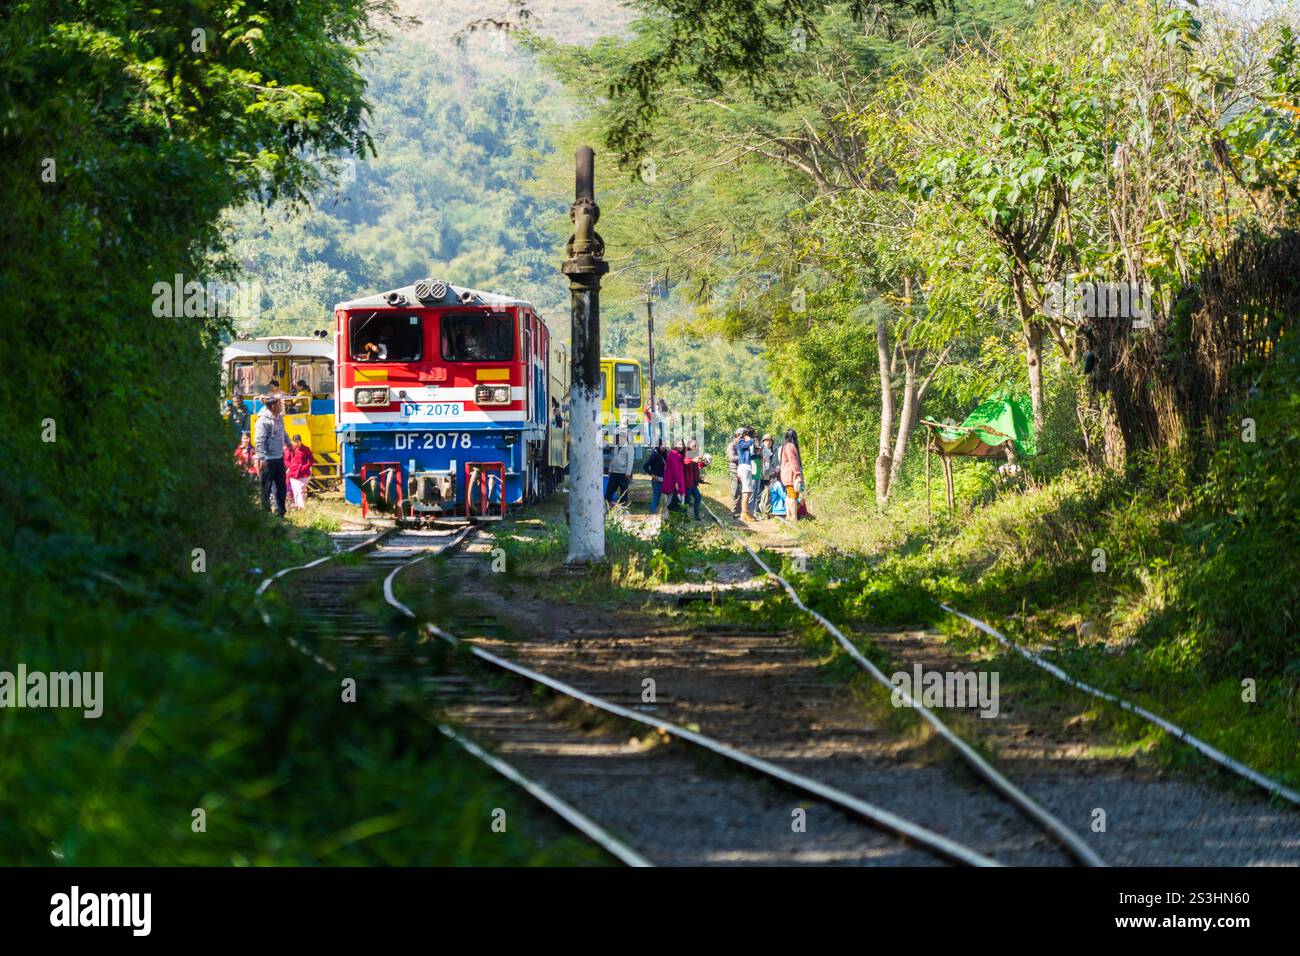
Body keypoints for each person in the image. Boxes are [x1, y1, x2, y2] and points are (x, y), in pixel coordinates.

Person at [254, 394, 288, 516]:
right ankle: (266, 513)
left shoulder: (279, 418)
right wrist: (262, 458)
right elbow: (259, 440)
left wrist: (288, 443)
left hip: (278, 457)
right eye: (279, 404)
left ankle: (280, 512)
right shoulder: (263, 421)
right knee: (266, 488)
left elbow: (284, 432)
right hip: (267, 460)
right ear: (273, 405)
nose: (281, 406)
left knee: (281, 487)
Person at [779, 428, 804, 523]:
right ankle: (794, 517)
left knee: (789, 496)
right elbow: (794, 461)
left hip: (785, 474)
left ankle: (788, 516)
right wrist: (798, 474)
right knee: (793, 496)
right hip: (791, 475)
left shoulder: (785, 446)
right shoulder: (790, 446)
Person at [285, 433, 316, 510]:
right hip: (293, 473)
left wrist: (305, 467)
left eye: (298, 441)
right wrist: (291, 467)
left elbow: (311, 460)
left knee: (301, 489)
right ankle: (297, 505)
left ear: (301, 441)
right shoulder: (290, 450)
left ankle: (302, 506)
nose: (297, 443)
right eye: (295, 441)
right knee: (295, 490)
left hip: (304, 473)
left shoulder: (306, 449)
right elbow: (286, 460)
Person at [605, 430, 634, 508]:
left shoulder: (629, 447)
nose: (618, 440)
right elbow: (613, 458)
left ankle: (623, 507)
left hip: (623, 474)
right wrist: (610, 469)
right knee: (609, 491)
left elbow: (630, 461)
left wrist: (628, 473)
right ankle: (609, 506)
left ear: (624, 438)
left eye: (619, 438)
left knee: (623, 492)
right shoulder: (616, 447)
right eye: (617, 438)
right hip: (614, 473)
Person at [684, 439, 709, 521]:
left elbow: (696, 468)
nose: (695, 447)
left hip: (693, 483)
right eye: (694, 446)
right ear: (689, 446)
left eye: (696, 446)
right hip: (686, 482)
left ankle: (696, 516)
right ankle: (684, 517)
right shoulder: (685, 453)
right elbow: (684, 461)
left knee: (698, 498)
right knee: (686, 501)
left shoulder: (695, 455)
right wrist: (693, 460)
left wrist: (698, 478)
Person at [736, 427, 758, 519]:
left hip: (747, 467)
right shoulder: (741, 441)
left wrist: (758, 453)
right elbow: (747, 444)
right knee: (746, 492)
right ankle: (744, 513)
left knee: (748, 492)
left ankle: (745, 512)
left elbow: (750, 456)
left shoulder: (745, 442)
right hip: (744, 467)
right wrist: (751, 440)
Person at [662, 440, 687, 512]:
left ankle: (675, 519)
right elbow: (675, 470)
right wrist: (676, 482)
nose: (681, 446)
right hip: (674, 484)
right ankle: (671, 520)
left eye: (682, 444)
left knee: (675, 504)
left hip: (676, 482)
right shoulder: (673, 454)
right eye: (679, 444)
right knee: (674, 504)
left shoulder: (677, 455)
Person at [643, 442, 667, 513]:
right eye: (662, 445)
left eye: (665, 445)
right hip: (656, 481)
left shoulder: (664, 454)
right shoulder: (655, 454)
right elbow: (645, 466)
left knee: (658, 498)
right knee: (656, 498)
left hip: (663, 480)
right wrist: (652, 474)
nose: (664, 447)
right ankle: (651, 512)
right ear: (658, 445)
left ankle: (653, 512)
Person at [758, 433, 778, 517]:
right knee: (759, 493)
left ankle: (767, 510)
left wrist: (773, 475)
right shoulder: (760, 449)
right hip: (761, 475)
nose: (768, 442)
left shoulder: (774, 451)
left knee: (768, 493)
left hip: (769, 475)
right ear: (763, 441)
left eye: (769, 441)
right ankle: (758, 510)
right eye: (766, 440)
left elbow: (775, 463)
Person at [726, 428, 743, 517]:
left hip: (742, 471)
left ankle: (739, 511)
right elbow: (731, 458)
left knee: (741, 492)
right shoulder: (732, 445)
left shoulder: (741, 445)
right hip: (735, 471)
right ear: (738, 436)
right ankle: (734, 511)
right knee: (735, 491)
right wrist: (743, 457)